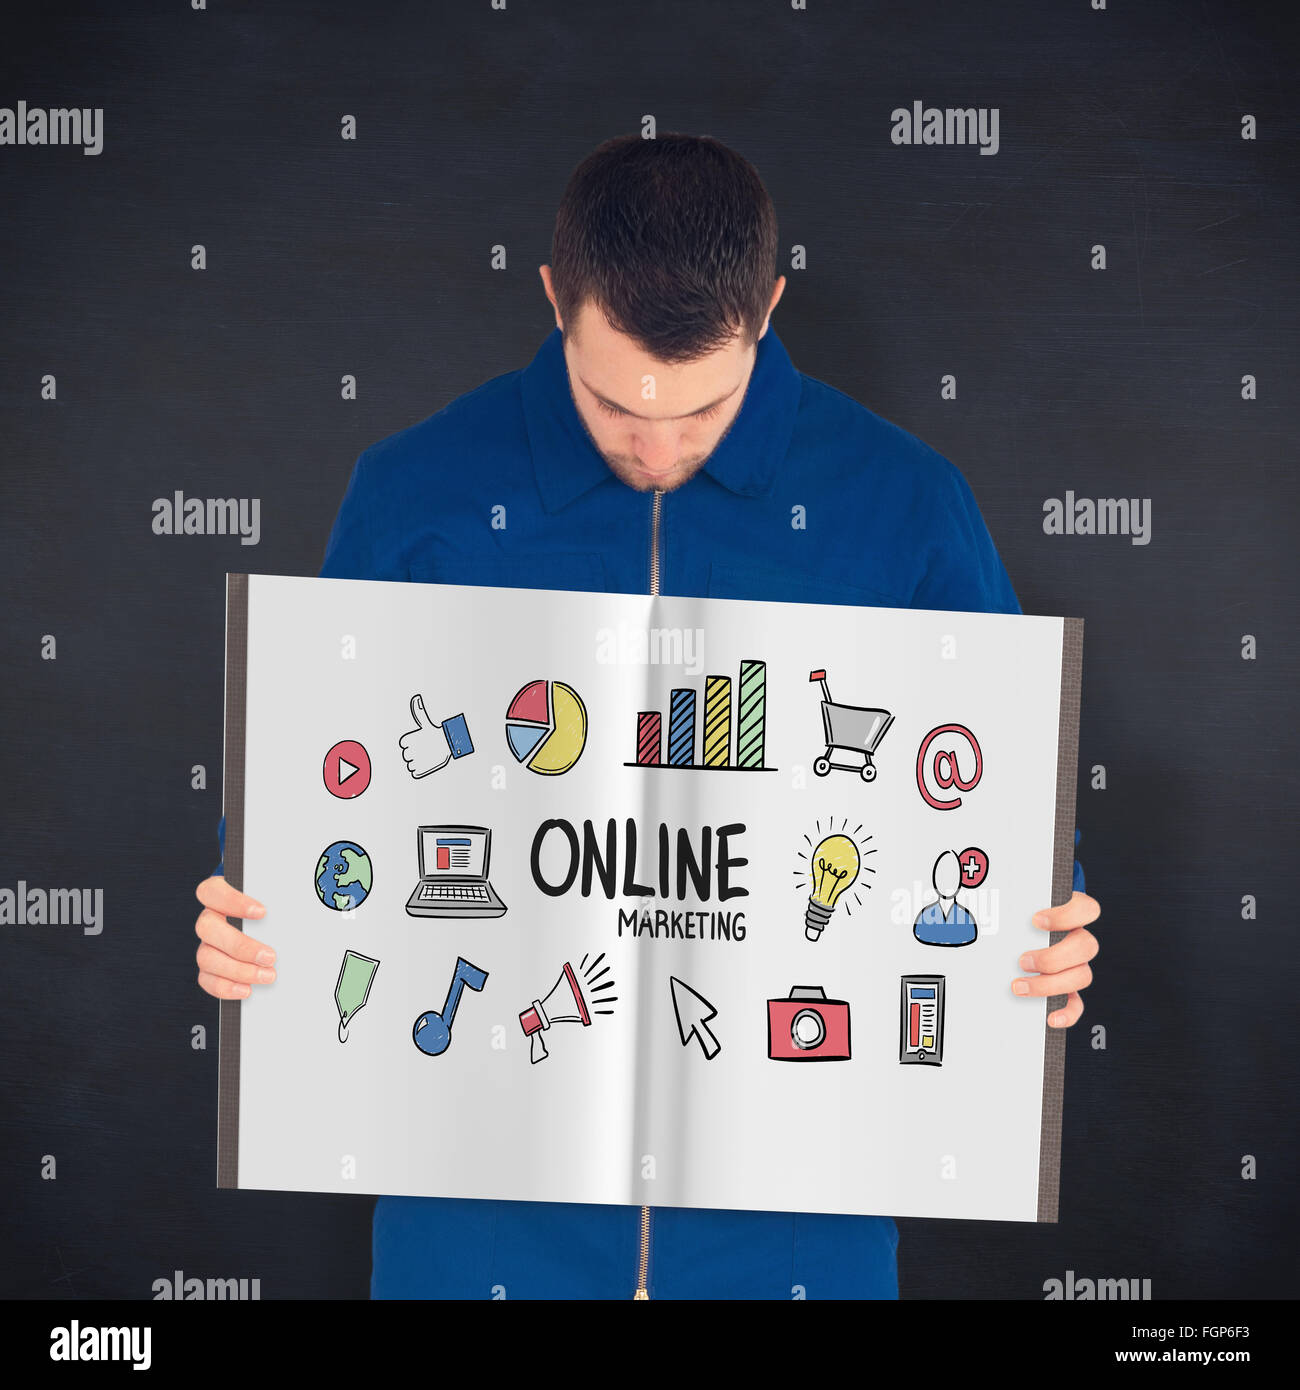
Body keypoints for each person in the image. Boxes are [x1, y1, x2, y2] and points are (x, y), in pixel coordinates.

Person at [193, 132, 1102, 1299]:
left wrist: (1049, 924)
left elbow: (1000, 807)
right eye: (616, 403)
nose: (660, 450)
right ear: (552, 302)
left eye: (706, 407)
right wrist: (249, 918)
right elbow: (322, 804)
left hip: (790, 1234)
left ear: (768, 307)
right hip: (477, 1226)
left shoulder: (906, 504)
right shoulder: (414, 492)